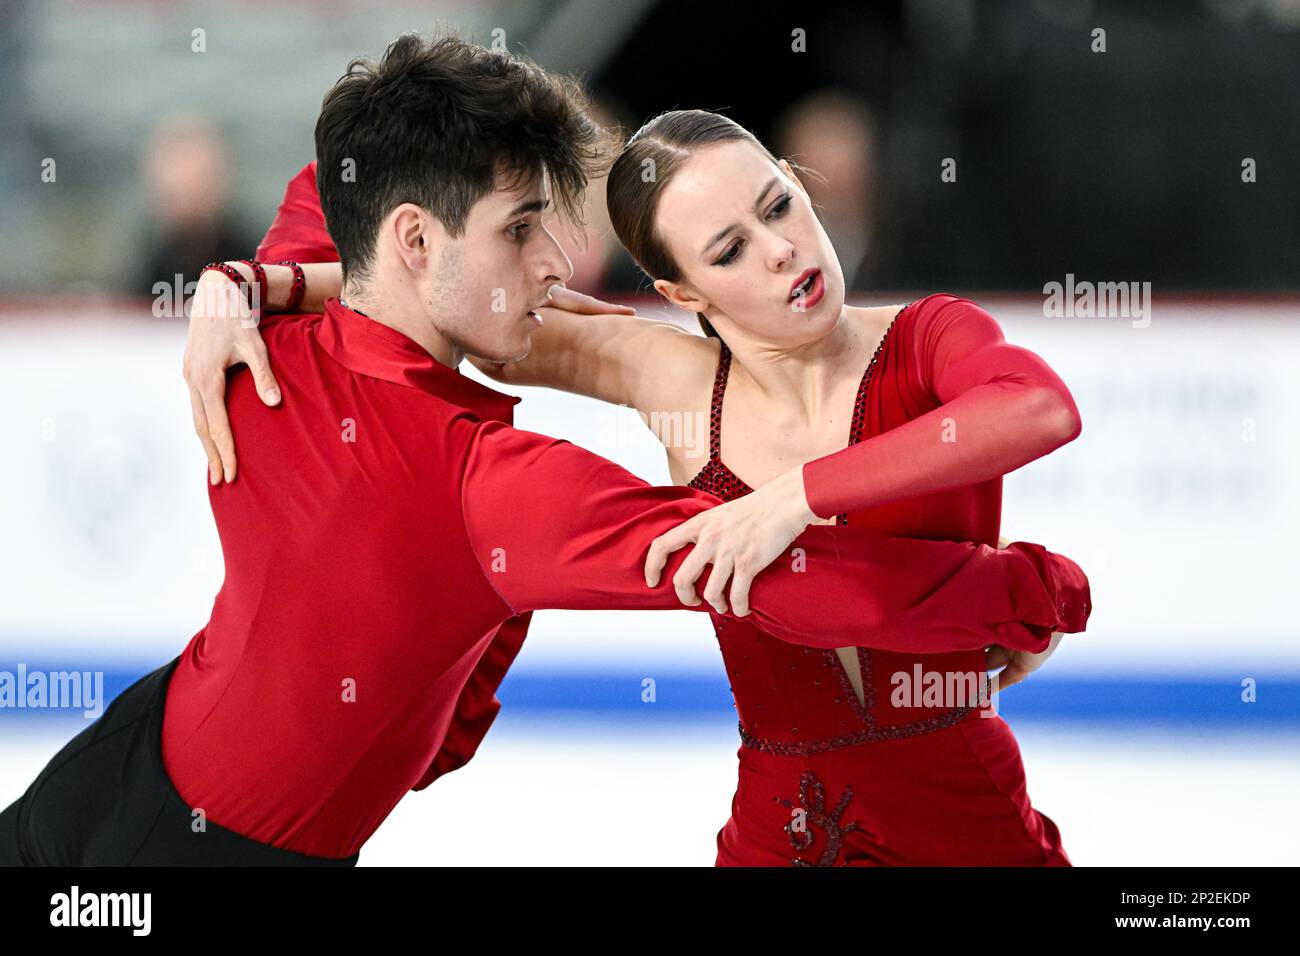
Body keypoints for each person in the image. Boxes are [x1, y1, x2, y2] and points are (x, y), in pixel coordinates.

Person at [0, 36, 1089, 868]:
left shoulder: (292, 314)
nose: (557, 262)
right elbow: (799, 589)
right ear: (417, 241)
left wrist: (255, 281)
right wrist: (1026, 589)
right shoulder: (492, 482)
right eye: (522, 229)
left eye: (780, 205)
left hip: (120, 759)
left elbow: (362, 164)